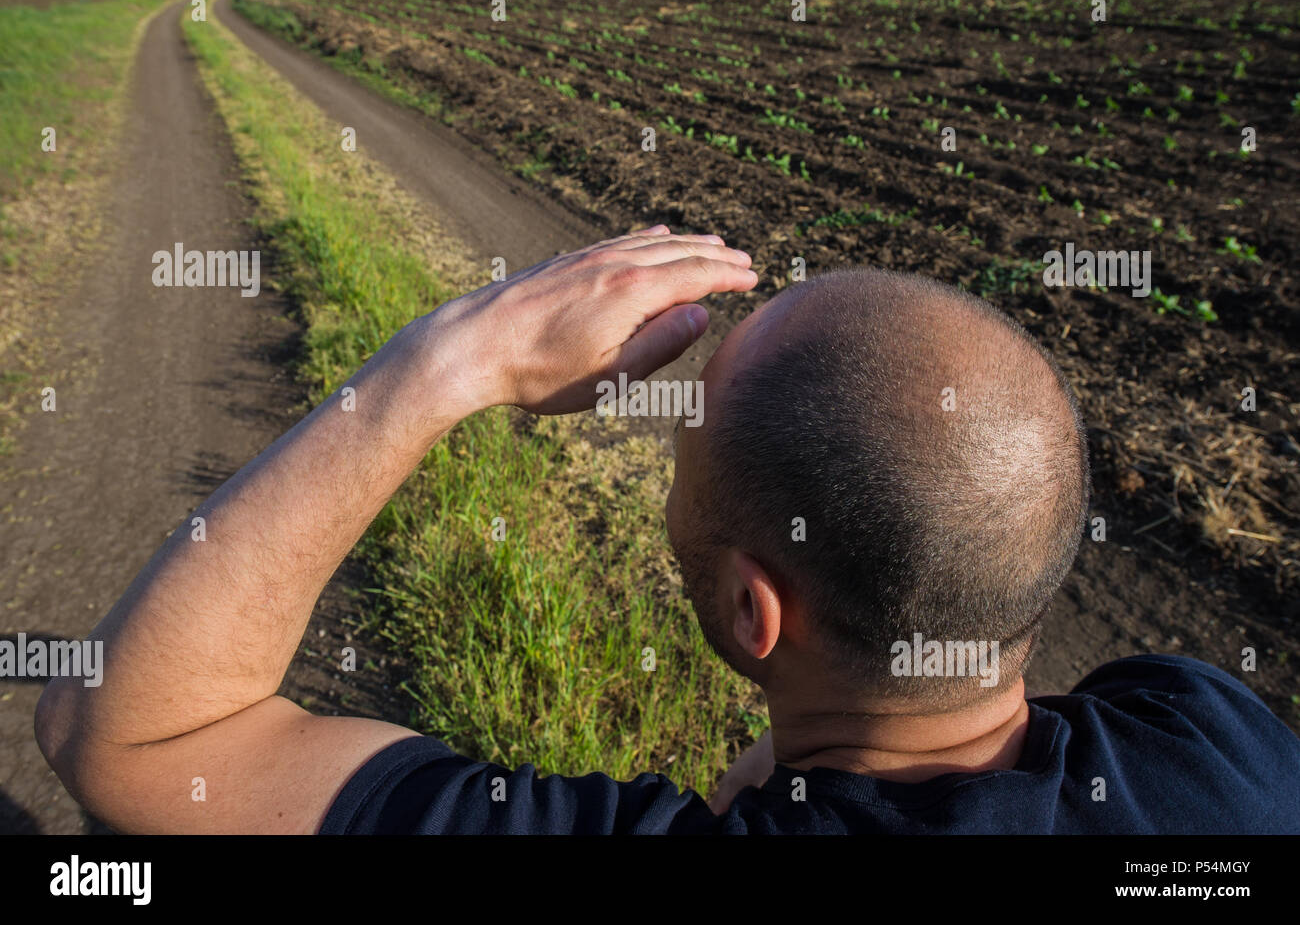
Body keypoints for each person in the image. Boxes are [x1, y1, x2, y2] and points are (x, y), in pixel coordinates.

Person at [35, 226, 1300, 833]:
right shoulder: (1215, 735)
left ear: (755, 615)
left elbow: (132, 735)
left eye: (679, 455)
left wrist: (441, 363)